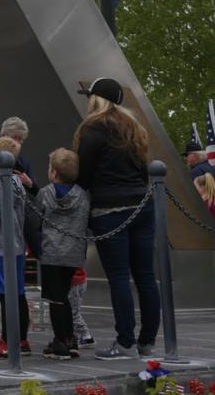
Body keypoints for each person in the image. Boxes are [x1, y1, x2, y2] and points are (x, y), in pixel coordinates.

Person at [74, 76, 159, 360]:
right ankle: (147, 341)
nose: (87, 101)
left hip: (110, 209)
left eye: (89, 97)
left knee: (120, 277)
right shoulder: (134, 128)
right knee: (146, 276)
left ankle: (124, 342)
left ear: (97, 99)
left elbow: (83, 174)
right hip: (142, 205)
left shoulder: (93, 128)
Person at [0, 117, 39, 325]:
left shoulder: (23, 163)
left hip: (16, 227)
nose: (18, 143)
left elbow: (34, 189)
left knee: (14, 282)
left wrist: (29, 183)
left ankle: (13, 334)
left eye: (21, 139)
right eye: (15, 138)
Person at [0, 136, 32, 360]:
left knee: (4, 296)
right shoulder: (18, 182)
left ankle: (7, 342)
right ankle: (21, 339)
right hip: (17, 247)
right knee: (18, 294)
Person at [35, 148, 91, 360]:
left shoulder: (45, 193)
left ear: (54, 173)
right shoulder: (83, 195)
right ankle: (70, 338)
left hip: (51, 253)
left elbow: (37, 220)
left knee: (55, 299)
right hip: (73, 254)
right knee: (64, 295)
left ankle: (60, 342)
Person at [69, 268, 95, 350]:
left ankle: (86, 337)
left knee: (72, 313)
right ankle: (73, 335)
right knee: (73, 311)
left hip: (74, 281)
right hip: (80, 280)